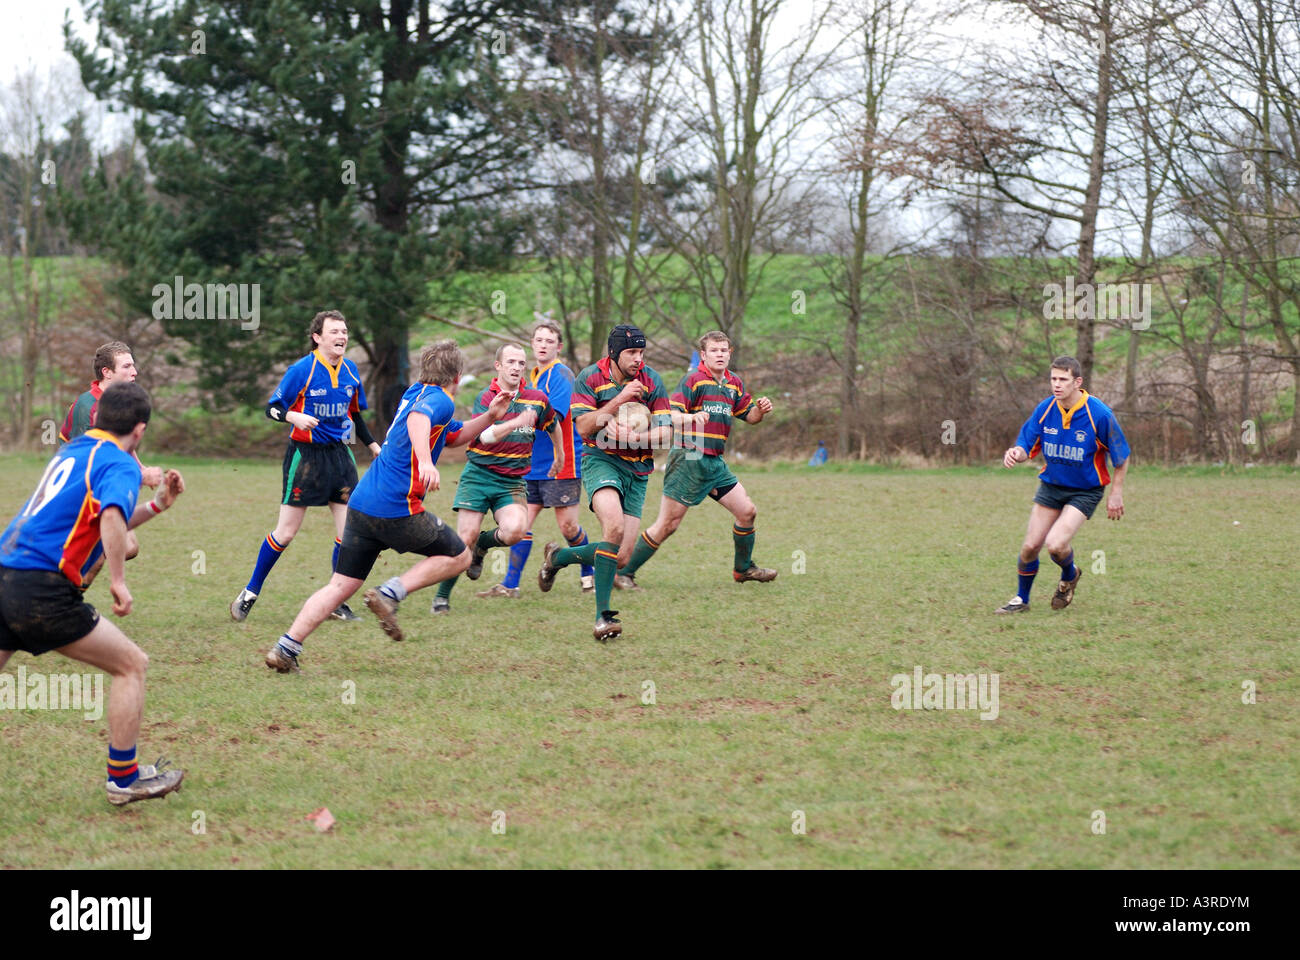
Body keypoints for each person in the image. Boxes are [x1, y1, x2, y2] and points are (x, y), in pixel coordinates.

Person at [264, 340, 515, 672]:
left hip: (362, 504)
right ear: (457, 375)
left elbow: (452, 436)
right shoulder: (437, 400)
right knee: (460, 556)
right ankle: (390, 593)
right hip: (396, 508)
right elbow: (418, 422)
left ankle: (286, 647)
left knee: (340, 585)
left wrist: (490, 416)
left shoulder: (415, 390)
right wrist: (425, 462)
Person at [0, 383, 188, 806]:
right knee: (131, 666)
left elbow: (102, 514)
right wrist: (118, 581)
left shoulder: (72, 450)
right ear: (139, 430)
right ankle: (123, 780)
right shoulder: (119, 462)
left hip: (6, 573)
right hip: (41, 588)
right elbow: (111, 518)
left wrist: (157, 505)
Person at [230, 310, 382, 623]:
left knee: (349, 534)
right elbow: (271, 409)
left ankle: (335, 600)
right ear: (317, 337)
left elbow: (355, 415)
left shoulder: (351, 371)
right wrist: (292, 416)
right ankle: (250, 592)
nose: (342, 337)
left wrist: (373, 446)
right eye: (334, 332)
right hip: (305, 458)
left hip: (340, 457)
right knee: (286, 532)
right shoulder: (302, 370)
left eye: (344, 331)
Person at [535, 324, 672, 642]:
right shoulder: (590, 378)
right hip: (601, 461)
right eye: (631, 353)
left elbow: (667, 431)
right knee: (613, 529)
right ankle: (602, 619)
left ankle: (558, 559)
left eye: (641, 352)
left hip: (638, 470)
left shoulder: (652, 380)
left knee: (621, 556)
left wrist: (639, 437)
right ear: (614, 353)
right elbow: (582, 427)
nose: (638, 359)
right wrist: (620, 399)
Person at [615, 330, 778, 588]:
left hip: (715, 462)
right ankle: (623, 573)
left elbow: (750, 416)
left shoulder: (733, 383)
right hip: (689, 457)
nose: (720, 354)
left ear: (730, 353)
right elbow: (670, 414)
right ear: (703, 355)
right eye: (714, 350)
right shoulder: (694, 380)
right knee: (668, 524)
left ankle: (743, 569)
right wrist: (691, 418)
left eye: (724, 350)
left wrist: (761, 409)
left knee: (747, 512)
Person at [995, 355, 1130, 614]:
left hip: (1085, 490)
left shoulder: (1099, 414)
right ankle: (1022, 599)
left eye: (1063, 379)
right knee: (1030, 546)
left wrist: (1116, 493)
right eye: (1053, 379)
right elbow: (1027, 445)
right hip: (1052, 485)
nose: (1057, 384)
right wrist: (1016, 453)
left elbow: (1121, 456)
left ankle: (1069, 574)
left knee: (1055, 545)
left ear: (1077, 382)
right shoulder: (1046, 409)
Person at [430, 342, 559, 613]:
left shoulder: (536, 398)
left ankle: (481, 546)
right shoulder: (486, 397)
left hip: (511, 481)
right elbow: (487, 436)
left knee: (515, 531)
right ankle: (442, 597)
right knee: (464, 537)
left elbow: (553, 423)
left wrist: (560, 455)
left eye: (521, 363)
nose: (516, 367)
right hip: (479, 475)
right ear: (498, 366)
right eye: (510, 362)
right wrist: (516, 422)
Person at [477, 316, 594, 599]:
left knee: (568, 526)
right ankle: (510, 585)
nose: (543, 345)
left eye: (550, 341)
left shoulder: (562, 374)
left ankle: (590, 574)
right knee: (522, 525)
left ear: (559, 347)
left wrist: (518, 419)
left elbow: (553, 416)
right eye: (539, 340)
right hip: (531, 465)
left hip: (561, 463)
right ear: (532, 344)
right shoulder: (530, 377)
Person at [60, 340, 164, 488]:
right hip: (77, 484)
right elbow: (90, 460)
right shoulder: (88, 407)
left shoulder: (116, 401)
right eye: (126, 366)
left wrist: (141, 469)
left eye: (133, 365)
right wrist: (139, 476)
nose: (135, 372)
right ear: (106, 372)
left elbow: (121, 440)